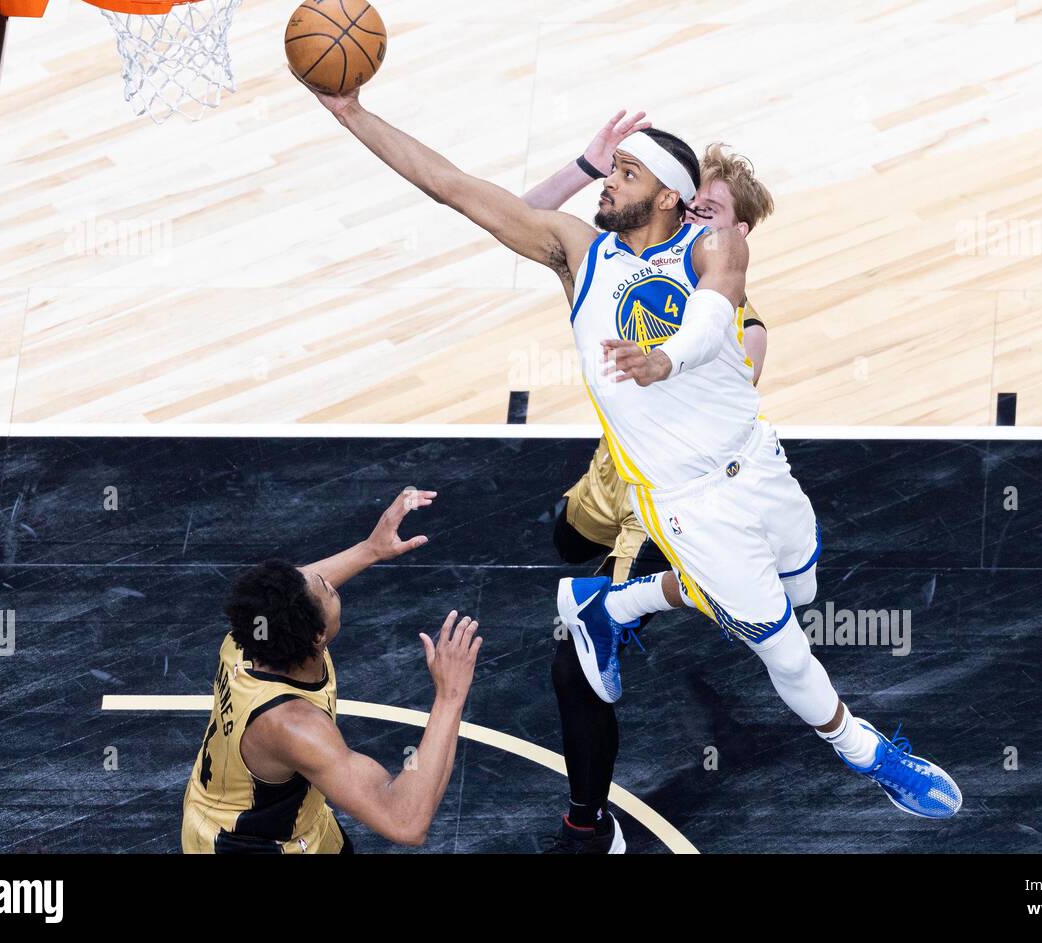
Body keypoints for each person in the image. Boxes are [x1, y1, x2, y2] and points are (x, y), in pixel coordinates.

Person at [297, 79, 961, 858]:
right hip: (688, 506)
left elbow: (716, 313)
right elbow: (454, 189)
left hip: (762, 468)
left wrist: (663, 359)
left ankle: (614, 606)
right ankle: (865, 749)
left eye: (627, 173)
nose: (609, 180)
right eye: (611, 171)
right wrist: (355, 114)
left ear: (673, 197)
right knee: (785, 649)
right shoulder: (577, 253)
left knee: (804, 588)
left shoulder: (714, 243)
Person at [523, 117, 784, 850]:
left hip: (663, 491)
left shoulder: (726, 303)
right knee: (566, 534)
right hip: (606, 475)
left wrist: (675, 367)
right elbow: (528, 212)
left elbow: (734, 362)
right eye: (693, 203)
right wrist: (586, 164)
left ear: (731, 236)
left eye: (711, 214)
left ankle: (588, 822)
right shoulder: (624, 253)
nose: (696, 218)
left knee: (571, 665)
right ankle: (630, 584)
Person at [180, 488, 481, 853]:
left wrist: (371, 548)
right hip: (248, 844)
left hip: (286, 817)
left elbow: (293, 589)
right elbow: (406, 822)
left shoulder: (249, 638)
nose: (323, 577)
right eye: (326, 588)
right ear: (319, 635)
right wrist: (450, 696)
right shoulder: (294, 728)